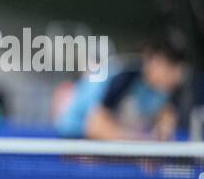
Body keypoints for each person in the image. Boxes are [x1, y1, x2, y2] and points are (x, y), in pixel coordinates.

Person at [55, 33, 187, 140]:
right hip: (75, 137)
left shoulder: (163, 89)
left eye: (177, 67)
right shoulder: (126, 75)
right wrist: (142, 144)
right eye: (169, 65)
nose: (175, 75)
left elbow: (166, 120)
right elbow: (95, 127)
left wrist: (164, 128)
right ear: (150, 58)